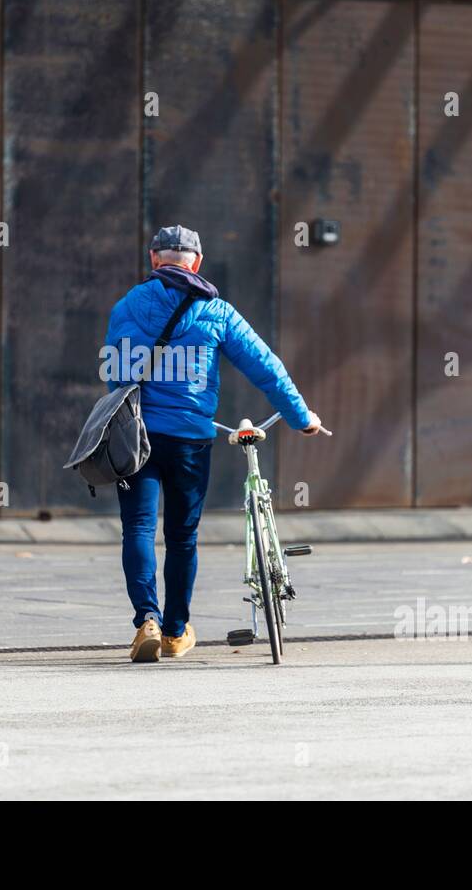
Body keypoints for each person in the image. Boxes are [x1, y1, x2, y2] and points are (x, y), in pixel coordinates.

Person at [104, 225, 321, 663]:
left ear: (153, 259)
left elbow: (113, 374)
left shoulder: (125, 306)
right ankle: (174, 631)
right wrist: (302, 417)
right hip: (188, 441)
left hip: (136, 436)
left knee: (139, 529)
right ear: (196, 263)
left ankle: (146, 618)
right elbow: (265, 367)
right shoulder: (217, 311)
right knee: (182, 536)